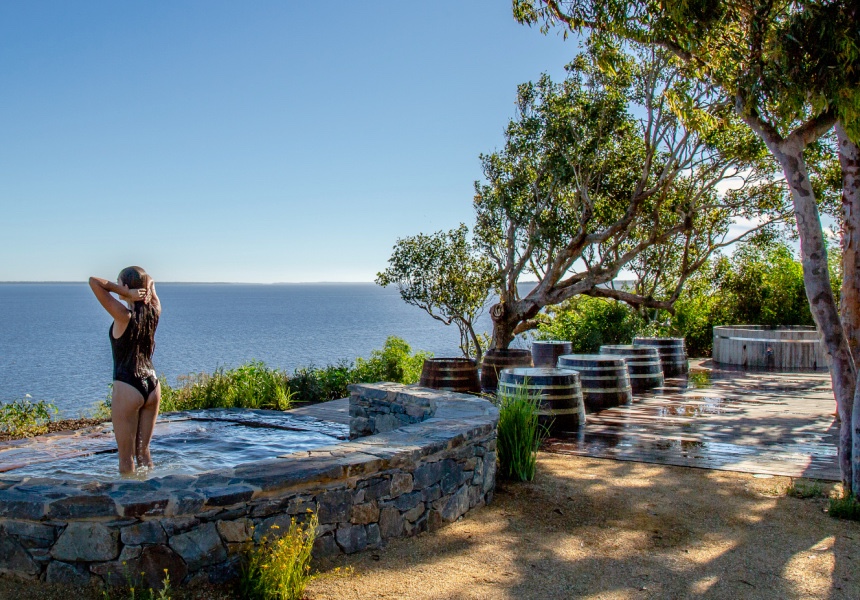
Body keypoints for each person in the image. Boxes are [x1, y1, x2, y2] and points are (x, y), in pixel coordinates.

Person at [89, 267, 161, 475]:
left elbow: (94, 282)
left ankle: (130, 505)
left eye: (119, 282)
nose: (117, 285)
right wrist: (145, 288)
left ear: (127, 286)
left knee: (126, 458)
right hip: (152, 385)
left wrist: (125, 293)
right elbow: (152, 281)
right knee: (144, 453)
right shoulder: (154, 311)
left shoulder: (123, 316)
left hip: (128, 385)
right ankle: (153, 495)